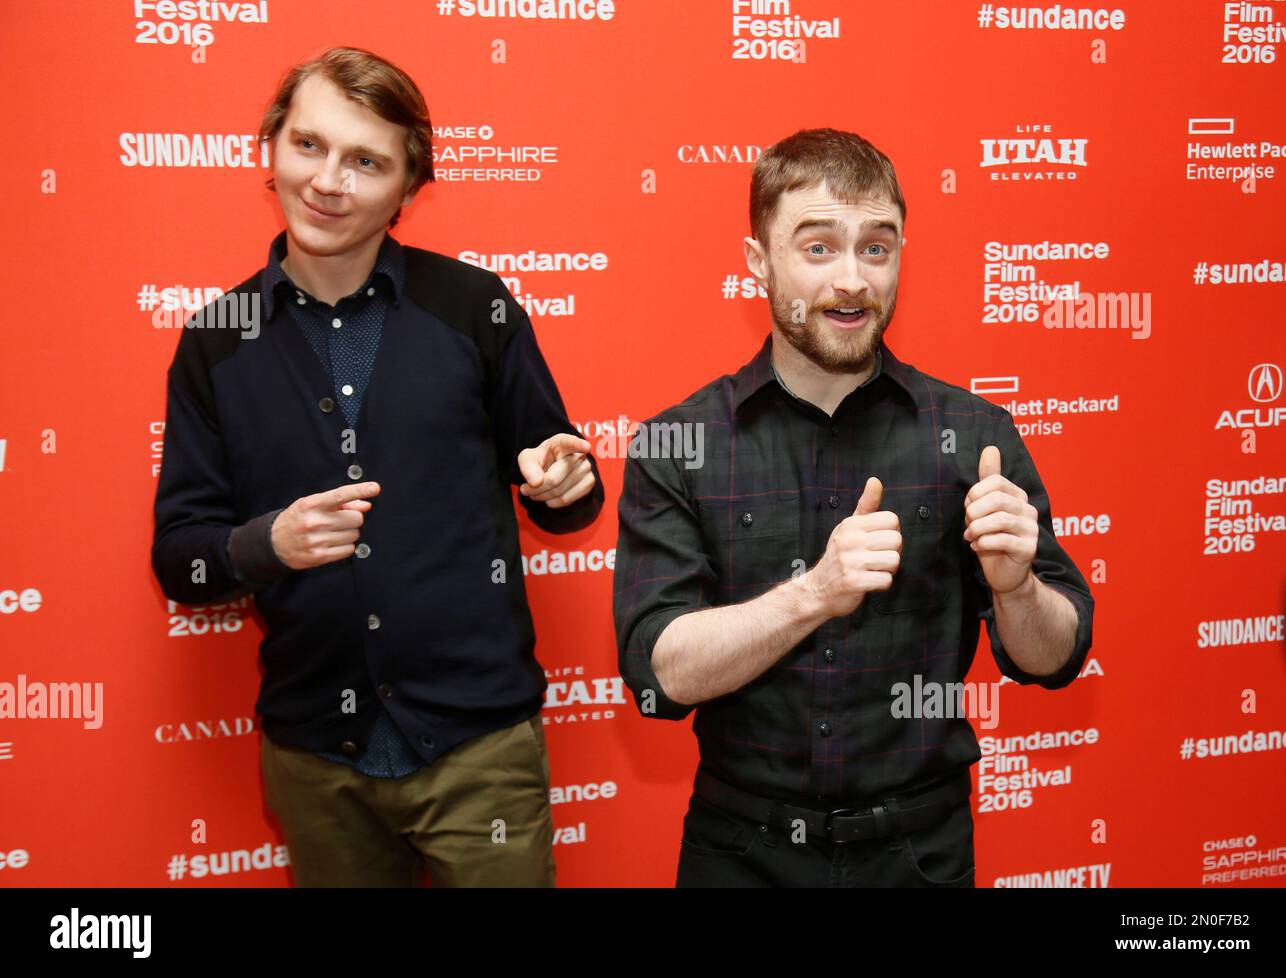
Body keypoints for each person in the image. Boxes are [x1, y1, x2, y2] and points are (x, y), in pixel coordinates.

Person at [152, 47, 602, 887]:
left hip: (481, 754)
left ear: (407, 188)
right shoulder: (215, 341)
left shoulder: (477, 307)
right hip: (316, 760)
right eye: (310, 146)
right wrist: (268, 544)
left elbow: (564, 493)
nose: (329, 181)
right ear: (270, 149)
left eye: (366, 161)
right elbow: (180, 559)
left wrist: (567, 482)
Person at [614, 128, 1094, 888]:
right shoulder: (679, 444)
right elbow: (658, 674)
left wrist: (1016, 588)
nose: (852, 280)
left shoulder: (976, 437)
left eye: (877, 247)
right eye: (817, 248)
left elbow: (1056, 657)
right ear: (757, 262)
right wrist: (814, 595)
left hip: (918, 853)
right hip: (741, 854)